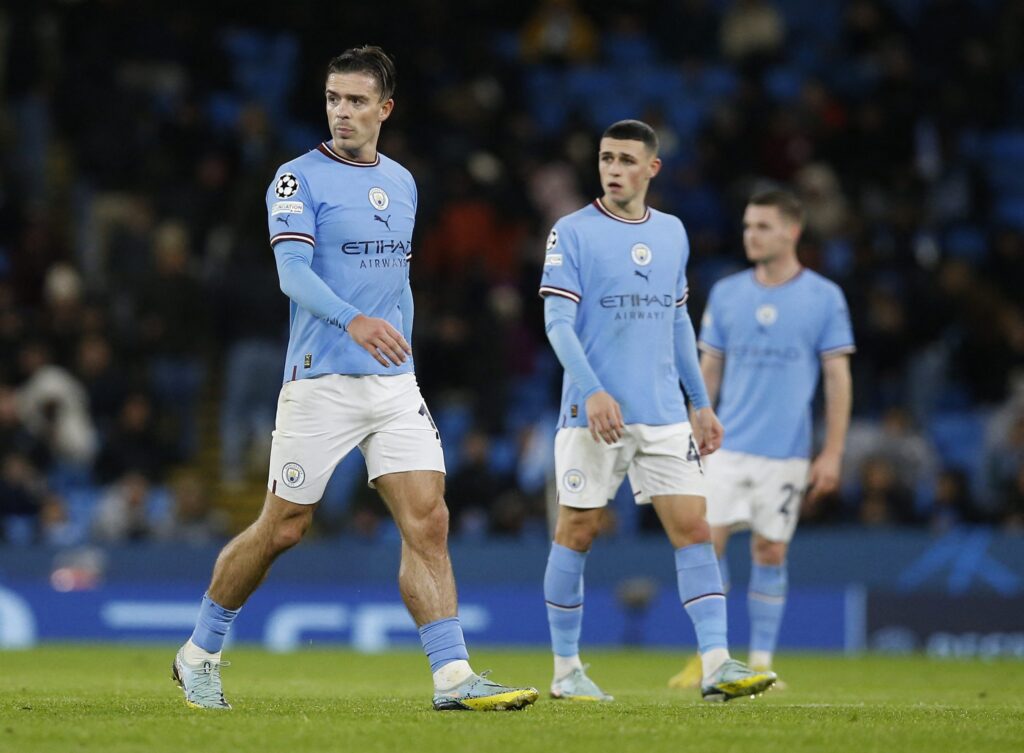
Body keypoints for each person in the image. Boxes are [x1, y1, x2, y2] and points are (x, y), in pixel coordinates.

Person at [171, 46, 537, 713]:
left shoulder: (402, 183)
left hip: (393, 383)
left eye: (357, 100)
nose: (343, 111)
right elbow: (293, 276)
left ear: (385, 108)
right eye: (334, 98)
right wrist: (353, 321)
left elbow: (396, 282)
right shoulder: (295, 179)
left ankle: (452, 676)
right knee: (283, 526)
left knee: (428, 519)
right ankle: (199, 651)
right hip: (320, 379)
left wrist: (402, 347)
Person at [539, 119, 776, 703]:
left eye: (625, 160)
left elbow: (676, 322)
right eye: (605, 159)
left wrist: (700, 402)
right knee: (578, 530)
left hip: (664, 413)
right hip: (593, 412)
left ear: (652, 168)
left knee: (695, 529)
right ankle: (566, 671)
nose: (614, 170)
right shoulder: (570, 232)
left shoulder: (672, 233)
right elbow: (556, 322)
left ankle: (716, 663)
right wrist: (592, 389)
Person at [668, 188, 854, 690]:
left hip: (787, 452)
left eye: (763, 226)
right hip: (724, 446)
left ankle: (763, 662)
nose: (751, 234)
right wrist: (693, 429)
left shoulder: (824, 297)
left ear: (792, 232)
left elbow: (837, 378)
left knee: (770, 552)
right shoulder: (728, 293)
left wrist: (832, 451)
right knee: (707, 543)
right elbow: (709, 368)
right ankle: (711, 657)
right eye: (748, 225)